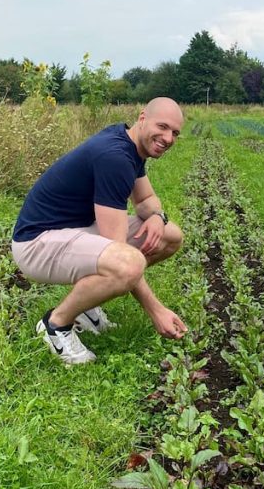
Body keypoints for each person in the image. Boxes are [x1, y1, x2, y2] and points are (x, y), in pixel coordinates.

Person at [12, 97, 188, 365]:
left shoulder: (130, 144)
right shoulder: (114, 157)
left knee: (169, 235)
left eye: (175, 132)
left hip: (74, 231)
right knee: (127, 264)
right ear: (143, 117)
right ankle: (56, 324)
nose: (168, 138)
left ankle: (86, 307)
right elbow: (120, 252)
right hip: (37, 243)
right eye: (162, 127)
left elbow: (145, 200)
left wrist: (157, 217)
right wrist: (156, 310)